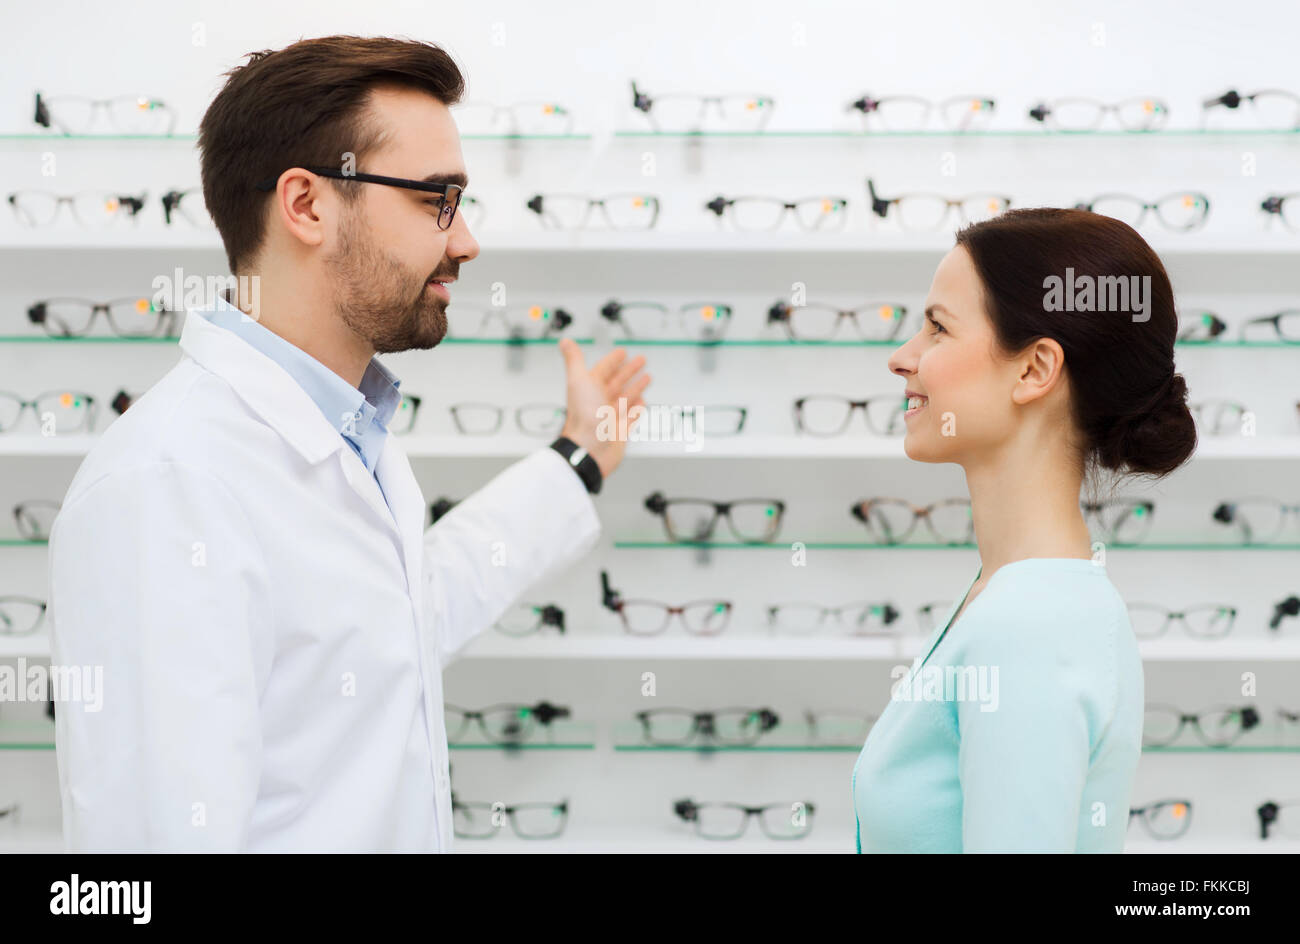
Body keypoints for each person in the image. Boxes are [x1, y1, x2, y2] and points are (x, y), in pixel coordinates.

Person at [48, 35, 650, 852]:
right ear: (306, 206)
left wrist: (576, 459)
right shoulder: (168, 483)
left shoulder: (345, 429)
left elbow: (404, 620)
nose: (465, 241)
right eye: (436, 199)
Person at [853, 207, 1197, 852]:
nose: (902, 358)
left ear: (1034, 369)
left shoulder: (1030, 625)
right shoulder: (1013, 598)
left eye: (936, 329)